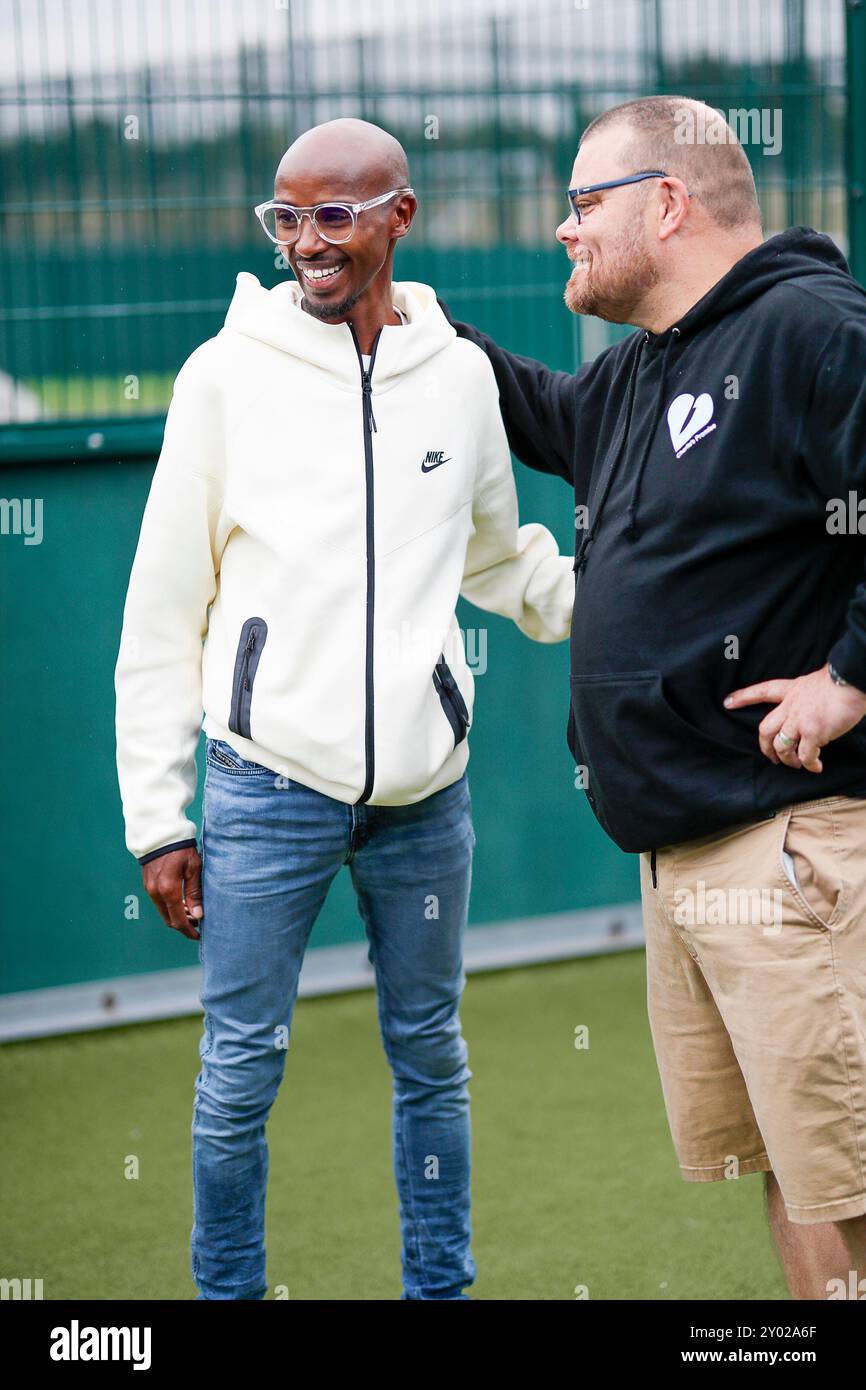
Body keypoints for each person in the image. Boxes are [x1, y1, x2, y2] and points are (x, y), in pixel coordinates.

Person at [113, 118, 575, 1301]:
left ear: (397, 218)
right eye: (286, 217)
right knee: (238, 1073)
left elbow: (489, 556)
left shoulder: (459, 374)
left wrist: (606, 598)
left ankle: (440, 1289)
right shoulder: (223, 377)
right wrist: (159, 819)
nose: (306, 242)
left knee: (431, 1059)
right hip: (265, 791)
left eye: (333, 215)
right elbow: (164, 609)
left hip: (427, 799)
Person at [441, 96, 866, 1300]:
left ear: (666, 202)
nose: (562, 228)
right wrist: (404, 319)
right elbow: (529, 403)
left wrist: (846, 680)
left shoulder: (812, 330)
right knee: (803, 1167)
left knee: (853, 1176)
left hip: (795, 846)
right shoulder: (638, 376)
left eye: (584, 202)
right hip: (685, 858)